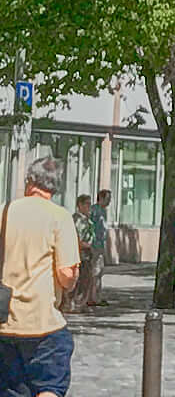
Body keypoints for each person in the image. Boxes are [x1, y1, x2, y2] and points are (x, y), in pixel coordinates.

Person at [0, 154, 81, 397]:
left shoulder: (5, 212)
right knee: (50, 386)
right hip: (44, 323)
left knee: (10, 388)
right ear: (55, 186)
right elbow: (66, 275)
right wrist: (72, 279)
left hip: (5, 322)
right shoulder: (60, 217)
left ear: (29, 181)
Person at [62, 202, 92, 317]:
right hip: (79, 252)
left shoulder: (86, 219)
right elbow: (75, 236)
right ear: (80, 205)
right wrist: (81, 245)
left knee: (85, 279)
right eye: (86, 204)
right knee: (77, 279)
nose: (89, 207)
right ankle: (71, 304)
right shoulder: (77, 219)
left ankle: (80, 303)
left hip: (86, 252)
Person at [84, 194, 109, 311]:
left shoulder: (103, 211)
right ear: (101, 198)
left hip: (100, 245)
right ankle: (91, 298)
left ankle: (97, 297)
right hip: (94, 245)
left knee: (99, 272)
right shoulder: (95, 211)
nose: (109, 201)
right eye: (107, 198)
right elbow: (91, 228)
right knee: (94, 272)